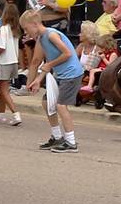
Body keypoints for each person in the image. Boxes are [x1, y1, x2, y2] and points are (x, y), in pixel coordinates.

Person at [23, 8, 82, 152]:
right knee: (46, 102)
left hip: (71, 74)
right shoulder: (41, 39)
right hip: (59, 75)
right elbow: (47, 63)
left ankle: (71, 142)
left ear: (34, 24)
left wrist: (50, 64)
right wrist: (38, 79)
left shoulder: (51, 35)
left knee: (61, 106)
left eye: (26, 28)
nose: (26, 32)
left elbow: (68, 53)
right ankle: (57, 137)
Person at [0, 3, 24, 126]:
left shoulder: (3, 29)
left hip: (3, 62)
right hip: (13, 62)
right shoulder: (15, 30)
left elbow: (1, 47)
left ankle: (15, 114)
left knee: (3, 89)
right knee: (3, 89)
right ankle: (1, 114)